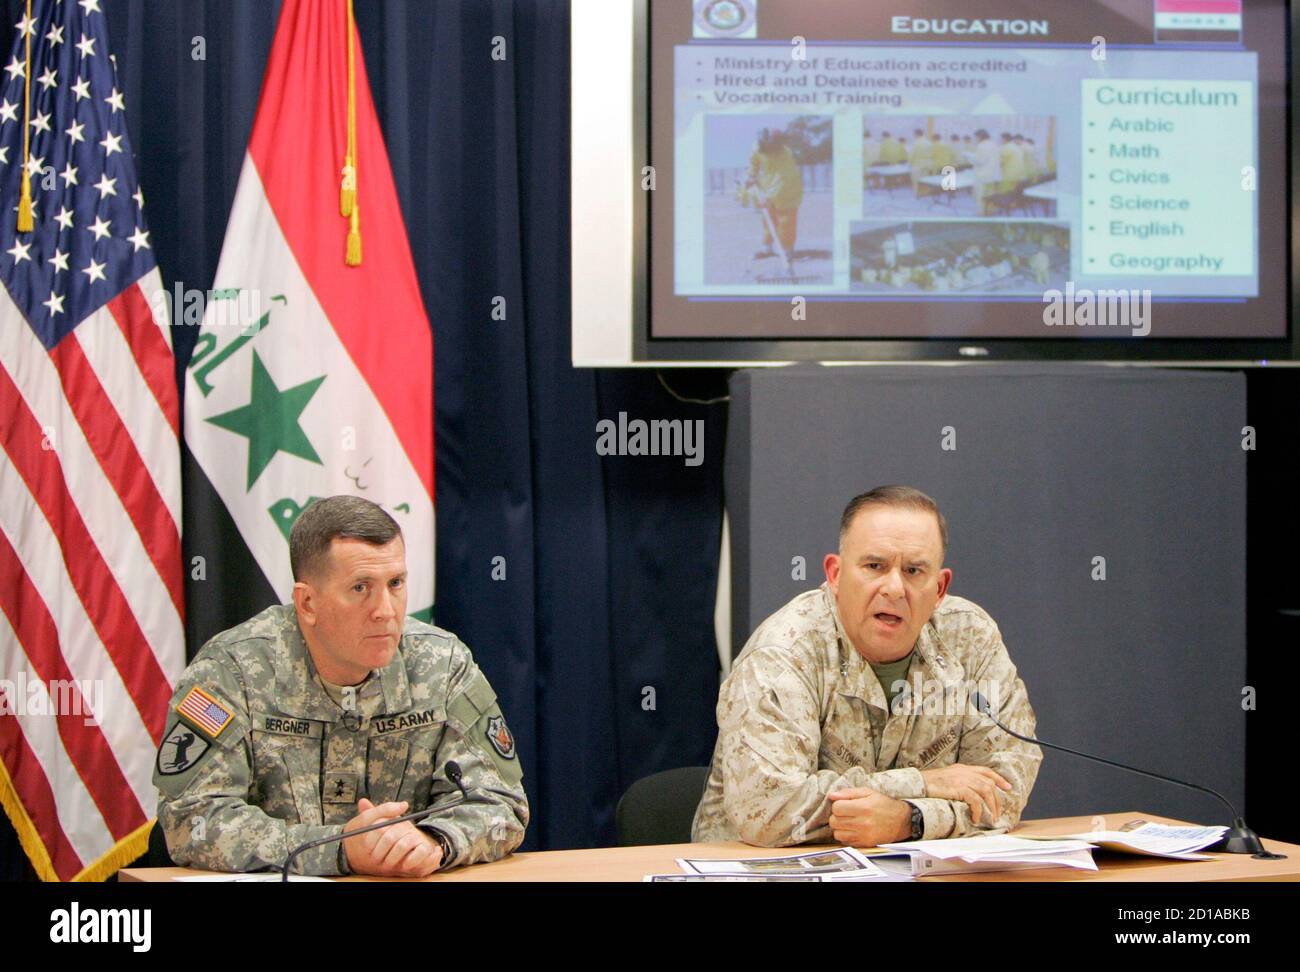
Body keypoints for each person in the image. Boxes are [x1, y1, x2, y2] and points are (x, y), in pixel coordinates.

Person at [153, 495, 529, 876]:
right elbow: (190, 820)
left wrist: (436, 841)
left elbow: (502, 802)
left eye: (395, 583)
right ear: (308, 603)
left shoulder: (442, 664)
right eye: (360, 588)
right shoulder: (231, 671)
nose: (386, 609)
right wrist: (339, 850)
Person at [692, 486, 1041, 847]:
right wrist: (922, 785)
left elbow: (1004, 787)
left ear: (939, 589)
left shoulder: (970, 639)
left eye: (913, 571)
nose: (893, 588)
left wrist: (911, 820)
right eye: (875, 566)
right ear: (835, 574)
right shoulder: (784, 653)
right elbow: (766, 810)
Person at [742, 128, 804, 260]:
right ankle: (767, 248)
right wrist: (750, 176)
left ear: (778, 144)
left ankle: (787, 250)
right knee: (768, 219)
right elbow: (754, 163)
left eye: (771, 144)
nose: (766, 146)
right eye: (764, 143)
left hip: (788, 189)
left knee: (785, 221)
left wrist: (768, 196)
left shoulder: (784, 154)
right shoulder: (757, 148)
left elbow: (783, 178)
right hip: (768, 186)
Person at [970, 129, 1001, 215]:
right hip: (993, 174)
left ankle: (982, 212)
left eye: (976, 137)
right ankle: (991, 210)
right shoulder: (994, 144)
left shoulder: (981, 146)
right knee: (991, 194)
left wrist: (971, 158)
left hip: (982, 175)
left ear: (979, 137)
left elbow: (980, 161)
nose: (975, 139)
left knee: (980, 195)